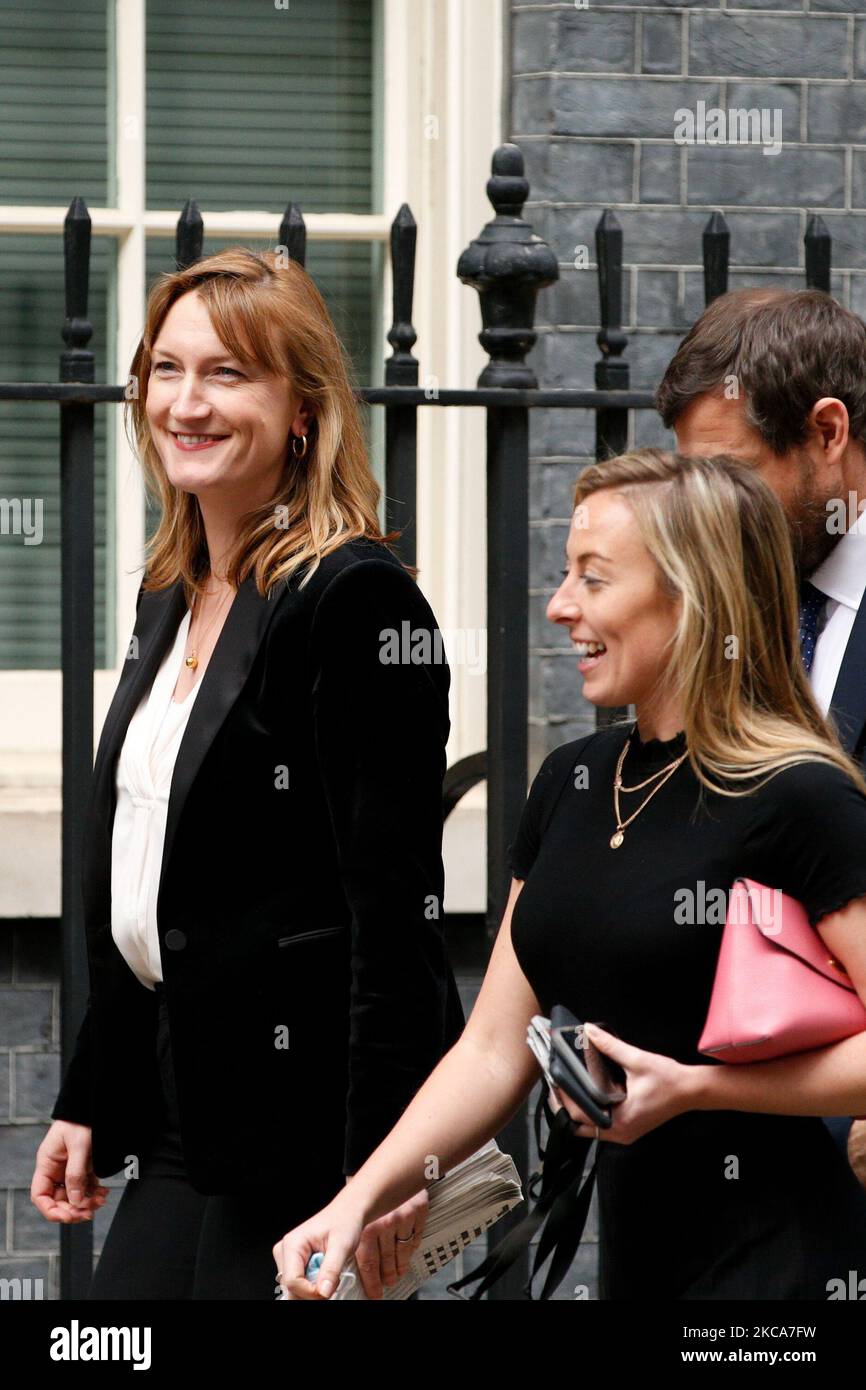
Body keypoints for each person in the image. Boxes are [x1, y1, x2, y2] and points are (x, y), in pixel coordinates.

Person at [273, 449, 866, 1301]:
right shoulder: (576, 781)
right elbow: (490, 1051)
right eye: (564, 576)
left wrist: (700, 1090)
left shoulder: (796, 794)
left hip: (785, 1268)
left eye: (594, 580)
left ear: (694, 595)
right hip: (638, 1257)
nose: (559, 608)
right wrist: (357, 1197)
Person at [30, 246, 464, 1300]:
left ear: (302, 409)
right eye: (165, 371)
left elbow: (393, 913)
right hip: (188, 1113)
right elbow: (150, 880)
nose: (185, 401)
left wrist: (381, 1169)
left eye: (226, 374)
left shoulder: (352, 601)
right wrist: (91, 1093)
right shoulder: (170, 593)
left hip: (308, 1133)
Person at [657, 286, 866, 1176]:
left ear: (828, 433)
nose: (712, 515)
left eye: (734, 475)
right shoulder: (726, 605)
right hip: (738, 1164)